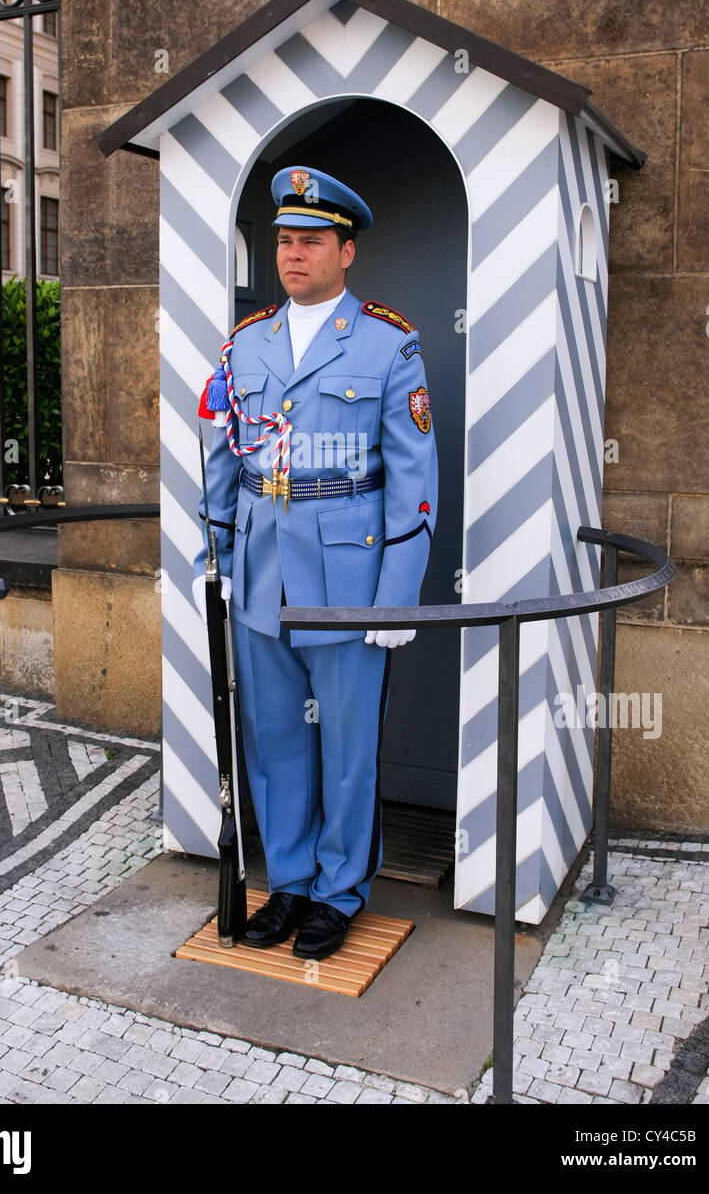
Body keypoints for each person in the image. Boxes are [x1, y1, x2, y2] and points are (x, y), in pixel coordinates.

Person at [192, 165, 437, 961]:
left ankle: (338, 893)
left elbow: (414, 481)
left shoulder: (388, 342)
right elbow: (224, 457)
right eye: (283, 242)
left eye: (311, 242)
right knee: (276, 739)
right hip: (263, 571)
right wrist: (219, 557)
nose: (293, 255)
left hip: (350, 581)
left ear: (346, 250)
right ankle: (289, 884)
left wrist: (396, 599)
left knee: (347, 748)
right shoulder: (247, 342)